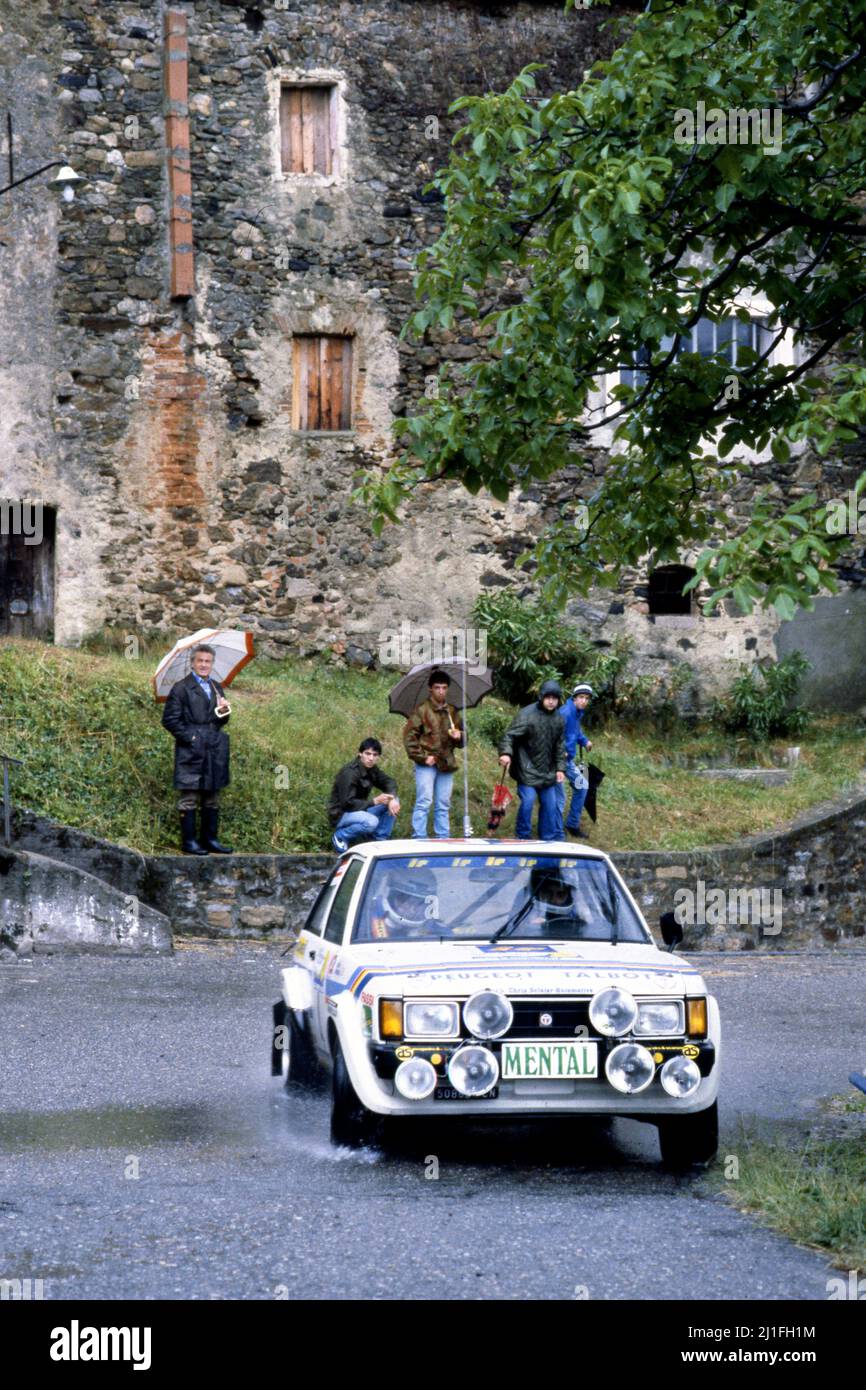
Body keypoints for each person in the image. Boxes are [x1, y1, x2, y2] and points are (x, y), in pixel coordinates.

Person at [161, 643, 232, 855]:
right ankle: (189, 842)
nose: (203, 665)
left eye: (207, 661)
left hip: (214, 746)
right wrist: (191, 737)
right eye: (200, 661)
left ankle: (210, 839)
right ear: (193, 663)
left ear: (212, 664)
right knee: (189, 795)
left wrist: (225, 711)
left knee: (212, 795)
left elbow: (221, 721)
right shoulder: (181, 688)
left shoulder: (217, 687)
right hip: (191, 748)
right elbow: (170, 720)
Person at [498, 679, 566, 841]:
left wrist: (560, 768)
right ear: (541, 697)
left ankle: (547, 840)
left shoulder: (559, 719)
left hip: (548, 772)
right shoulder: (527, 715)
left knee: (550, 806)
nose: (551, 701)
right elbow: (509, 736)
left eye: (555, 698)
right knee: (528, 801)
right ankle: (523, 837)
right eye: (548, 697)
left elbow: (559, 746)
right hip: (526, 769)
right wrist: (506, 753)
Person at [403, 670, 464, 839]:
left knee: (443, 804)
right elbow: (409, 739)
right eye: (437, 688)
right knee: (424, 801)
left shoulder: (452, 711)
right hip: (426, 765)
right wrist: (423, 757)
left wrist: (460, 736)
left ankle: (443, 837)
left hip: (447, 763)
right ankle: (419, 838)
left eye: (444, 688)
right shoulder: (421, 711)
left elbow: (463, 741)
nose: (441, 691)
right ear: (430, 689)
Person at [327, 738, 401, 853]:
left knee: (394, 799)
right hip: (341, 814)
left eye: (375, 755)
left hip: (360, 810)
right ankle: (341, 835)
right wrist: (374, 801)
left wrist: (391, 797)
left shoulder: (371, 769)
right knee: (371, 822)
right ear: (360, 753)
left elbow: (389, 782)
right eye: (367, 753)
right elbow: (347, 803)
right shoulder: (349, 773)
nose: (371, 758)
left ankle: (378, 840)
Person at [363, 865, 444, 940]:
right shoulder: (364, 919)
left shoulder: (438, 931)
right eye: (404, 899)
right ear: (390, 896)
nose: (413, 909)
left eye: (421, 902)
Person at [558, 682, 594, 839]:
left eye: (586, 698)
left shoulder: (577, 713)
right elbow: (554, 734)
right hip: (559, 760)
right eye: (581, 697)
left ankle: (572, 825)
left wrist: (585, 741)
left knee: (582, 786)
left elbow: (576, 732)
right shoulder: (565, 713)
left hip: (568, 760)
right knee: (559, 797)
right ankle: (556, 830)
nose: (584, 701)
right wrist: (561, 752)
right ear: (574, 698)